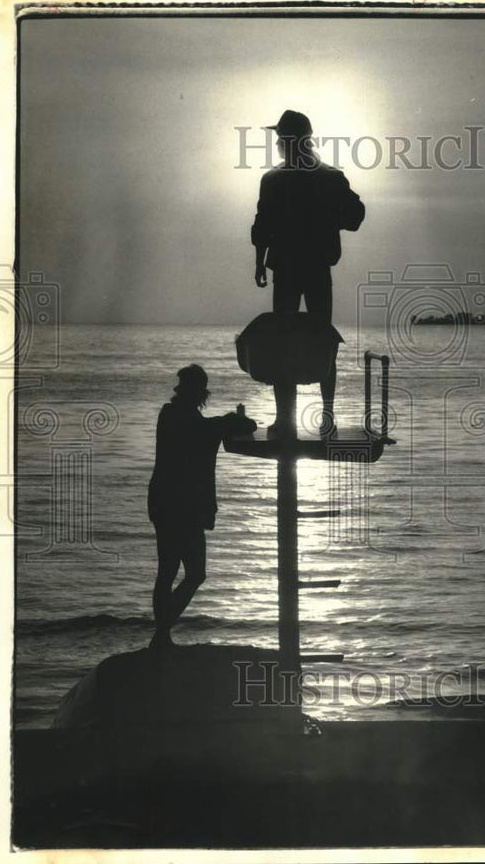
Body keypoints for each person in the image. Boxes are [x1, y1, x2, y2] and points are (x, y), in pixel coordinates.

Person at [251, 109, 365, 437]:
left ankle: (285, 419)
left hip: (288, 269)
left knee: (284, 343)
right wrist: (330, 215)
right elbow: (355, 216)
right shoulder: (330, 177)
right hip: (315, 269)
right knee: (323, 341)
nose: (277, 144)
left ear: (289, 141)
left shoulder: (274, 180)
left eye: (279, 139)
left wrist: (260, 262)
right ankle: (325, 417)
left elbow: (262, 227)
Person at [147, 365, 256, 648]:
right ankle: (162, 631)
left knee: (167, 572)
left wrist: (226, 420)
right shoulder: (195, 423)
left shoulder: (168, 415)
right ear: (200, 393)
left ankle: (162, 635)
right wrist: (233, 418)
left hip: (163, 501)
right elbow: (242, 426)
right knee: (195, 573)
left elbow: (205, 429)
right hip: (184, 507)